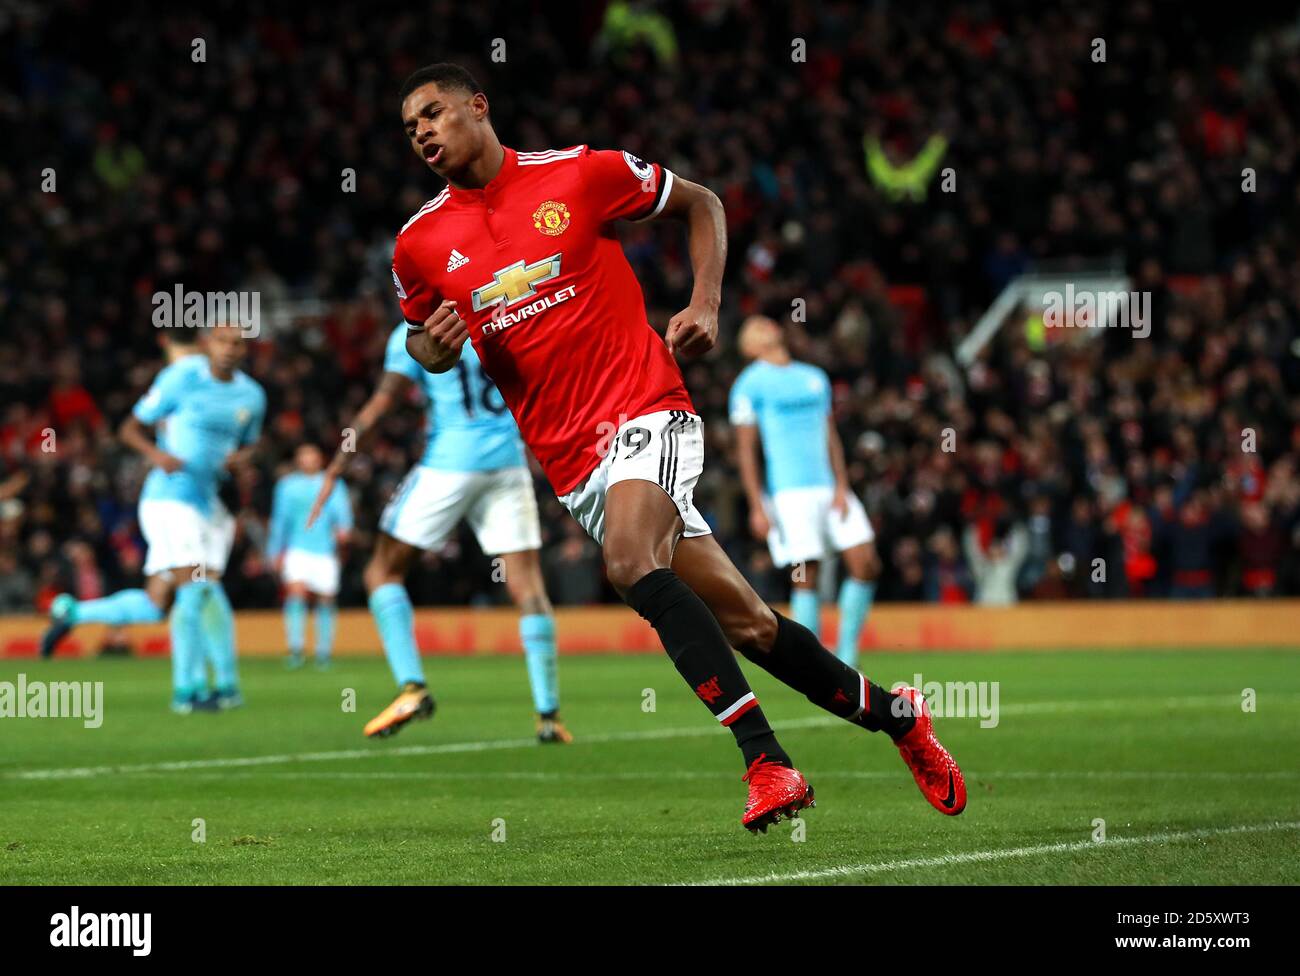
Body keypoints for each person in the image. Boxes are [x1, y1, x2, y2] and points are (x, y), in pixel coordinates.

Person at [395, 63, 965, 829]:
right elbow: (420, 342)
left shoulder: (581, 174)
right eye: (410, 127)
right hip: (572, 464)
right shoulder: (420, 242)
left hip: (648, 409)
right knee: (752, 625)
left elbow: (702, 202)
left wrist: (705, 302)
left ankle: (767, 763)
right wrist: (431, 348)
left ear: (478, 106)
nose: (423, 131)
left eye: (433, 113)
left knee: (630, 565)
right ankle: (901, 720)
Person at [309, 323, 569, 743]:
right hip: (507, 464)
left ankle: (412, 687)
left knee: (381, 572)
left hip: (449, 463)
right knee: (528, 586)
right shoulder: (495, 317)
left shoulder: (411, 333)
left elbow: (378, 408)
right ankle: (548, 715)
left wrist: (338, 465)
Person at [41, 322, 265, 712]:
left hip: (212, 505)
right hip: (170, 499)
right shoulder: (181, 378)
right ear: (207, 344)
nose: (230, 349)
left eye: (238, 343)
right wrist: (157, 456)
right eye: (223, 341)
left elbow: (253, 445)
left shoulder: (253, 396)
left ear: (246, 350)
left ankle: (73, 612)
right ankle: (192, 692)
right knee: (200, 584)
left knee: (157, 603)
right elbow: (128, 428)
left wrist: (242, 460)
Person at [730, 315, 881, 667]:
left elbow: (830, 436)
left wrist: (842, 484)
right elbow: (746, 450)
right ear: (749, 347)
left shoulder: (815, 378)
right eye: (754, 328)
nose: (766, 326)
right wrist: (757, 504)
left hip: (829, 488)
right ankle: (816, 665)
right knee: (805, 575)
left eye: (767, 322)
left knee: (866, 563)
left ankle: (846, 653)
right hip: (788, 494)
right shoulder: (749, 385)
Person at [268, 443, 353, 668]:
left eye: (312, 455)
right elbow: (280, 521)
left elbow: (343, 517)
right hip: (297, 548)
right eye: (303, 455)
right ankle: (295, 648)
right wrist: (275, 551)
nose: (308, 459)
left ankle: (323, 652)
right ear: (298, 460)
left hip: (325, 550)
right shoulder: (286, 486)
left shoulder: (333, 483)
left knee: (326, 599)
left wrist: (344, 532)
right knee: (296, 595)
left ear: (320, 458)